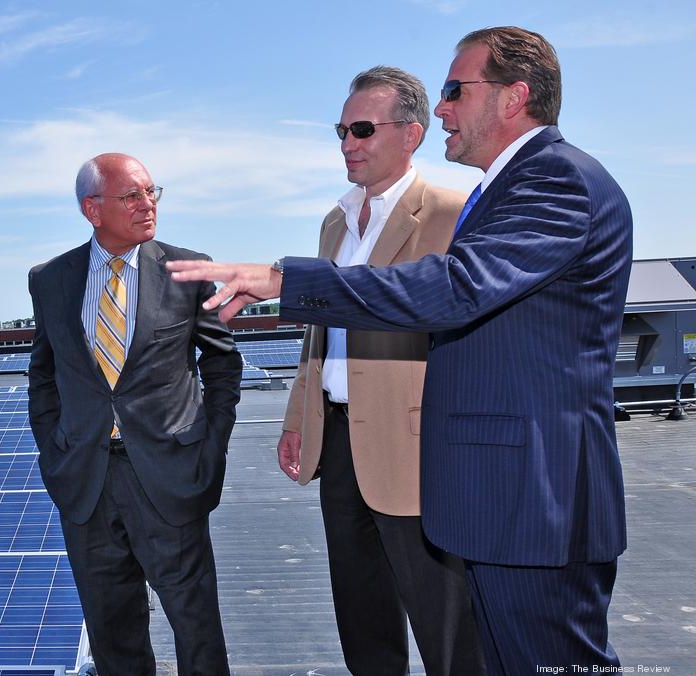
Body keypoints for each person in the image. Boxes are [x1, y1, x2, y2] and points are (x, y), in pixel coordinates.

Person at [169, 27, 631, 675]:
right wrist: (302, 417)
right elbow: (334, 338)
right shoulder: (480, 195)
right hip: (460, 480)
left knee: (481, 646)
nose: (442, 108)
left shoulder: (550, 182)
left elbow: (453, 289)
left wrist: (285, 281)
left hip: (525, 498)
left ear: (513, 97)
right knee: (394, 628)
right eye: (341, 131)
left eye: (453, 91)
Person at [281, 65, 485, 675]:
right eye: (341, 130)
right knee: (362, 614)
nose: (348, 144)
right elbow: (318, 335)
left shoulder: (455, 213)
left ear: (411, 134)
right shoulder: (335, 222)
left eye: (363, 129)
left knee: (445, 624)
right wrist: (300, 417)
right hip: (339, 441)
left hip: (419, 447)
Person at [28, 152, 242, 675]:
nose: (147, 204)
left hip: (171, 479)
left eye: (152, 192)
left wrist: (208, 449)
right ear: (92, 209)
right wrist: (55, 450)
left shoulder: (187, 271)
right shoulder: (50, 280)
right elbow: (44, 376)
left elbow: (222, 365)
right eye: (131, 195)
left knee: (197, 631)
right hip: (87, 484)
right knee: (112, 633)